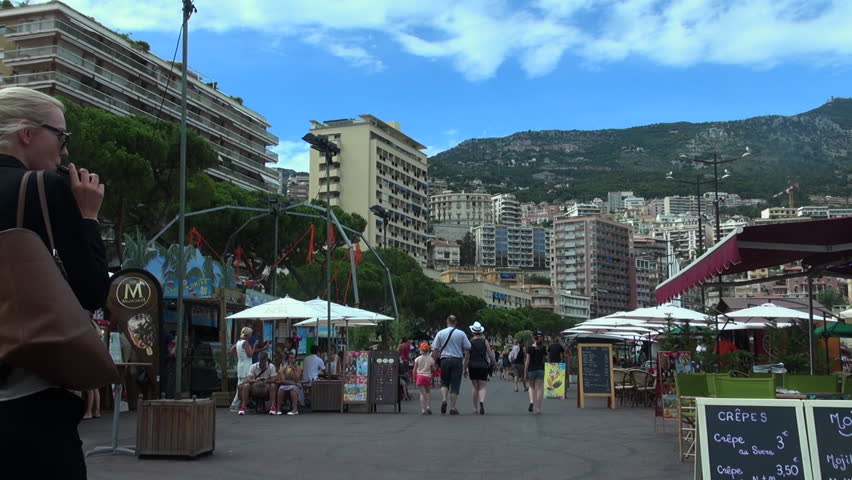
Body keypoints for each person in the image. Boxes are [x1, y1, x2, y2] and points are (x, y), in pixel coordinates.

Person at [0, 87, 108, 478]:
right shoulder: (43, 188)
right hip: (27, 395)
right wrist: (88, 217)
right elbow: (92, 290)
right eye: (61, 137)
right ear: (27, 133)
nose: (63, 152)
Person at [431, 314, 471, 415]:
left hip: (444, 360)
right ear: (456, 322)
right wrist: (465, 366)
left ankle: (444, 399)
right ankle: (452, 408)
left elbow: (435, 350)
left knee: (444, 382)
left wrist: (433, 363)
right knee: (455, 384)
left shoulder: (440, 333)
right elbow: (467, 350)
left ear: (447, 322)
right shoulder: (461, 334)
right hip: (457, 360)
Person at [464, 322, 496, 415]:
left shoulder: (469, 342)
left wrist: (464, 369)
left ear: (473, 332)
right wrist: (494, 364)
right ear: (480, 332)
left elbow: (466, 357)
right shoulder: (485, 341)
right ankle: (481, 402)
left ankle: (475, 407)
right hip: (483, 366)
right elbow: (490, 354)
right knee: (482, 387)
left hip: (472, 366)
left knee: (475, 387)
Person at [230, 326, 262, 410]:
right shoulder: (246, 343)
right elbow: (250, 354)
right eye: (250, 334)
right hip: (246, 366)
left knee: (240, 384)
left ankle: (237, 404)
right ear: (248, 334)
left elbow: (232, 350)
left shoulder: (239, 342)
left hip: (240, 364)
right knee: (243, 385)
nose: (251, 335)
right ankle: (235, 404)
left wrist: (239, 357)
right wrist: (254, 345)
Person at [525, 331, 548, 415]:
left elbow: (527, 361)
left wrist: (525, 372)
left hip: (531, 370)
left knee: (531, 387)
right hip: (541, 370)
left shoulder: (529, 348)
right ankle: (538, 408)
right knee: (539, 389)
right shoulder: (543, 348)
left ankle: (531, 402)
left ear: (533, 338)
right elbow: (545, 359)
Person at [413, 342, 435, 415]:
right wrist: (432, 373)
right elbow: (433, 369)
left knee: (422, 394)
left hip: (420, 376)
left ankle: (423, 409)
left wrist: (414, 378)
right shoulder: (431, 359)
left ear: (421, 349)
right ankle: (428, 407)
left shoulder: (417, 359)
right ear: (428, 350)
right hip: (427, 376)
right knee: (428, 392)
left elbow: (414, 369)